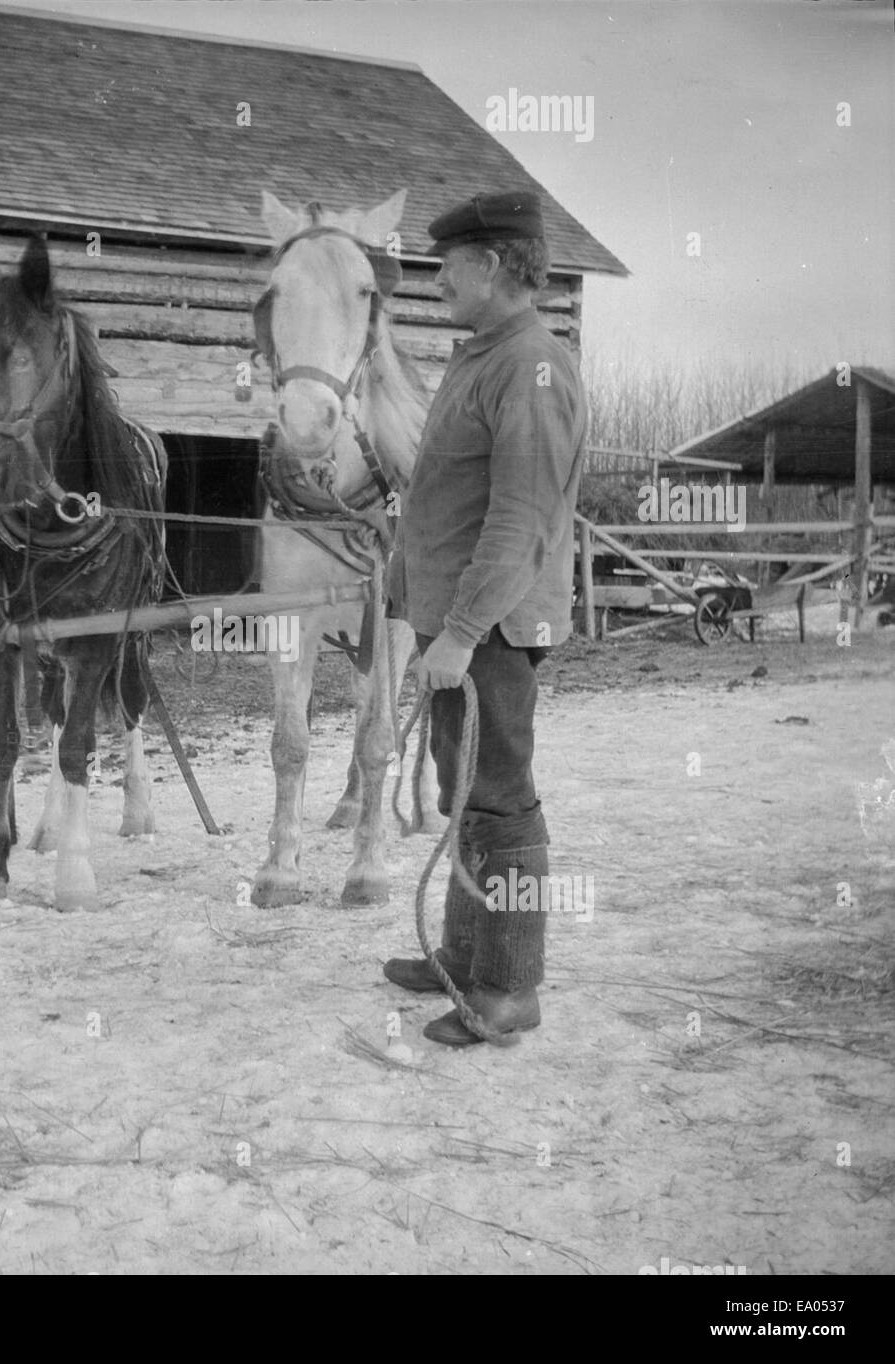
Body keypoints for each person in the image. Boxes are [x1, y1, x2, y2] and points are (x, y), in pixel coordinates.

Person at [384, 190, 588, 1047]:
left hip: (494, 628)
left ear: (494, 266)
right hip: (459, 624)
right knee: (465, 788)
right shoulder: (484, 357)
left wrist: (462, 632)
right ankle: (466, 959)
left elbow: (520, 519)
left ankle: (509, 988)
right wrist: (414, 609)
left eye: (449, 265)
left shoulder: (531, 367)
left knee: (499, 799)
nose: (438, 282)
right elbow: (445, 496)